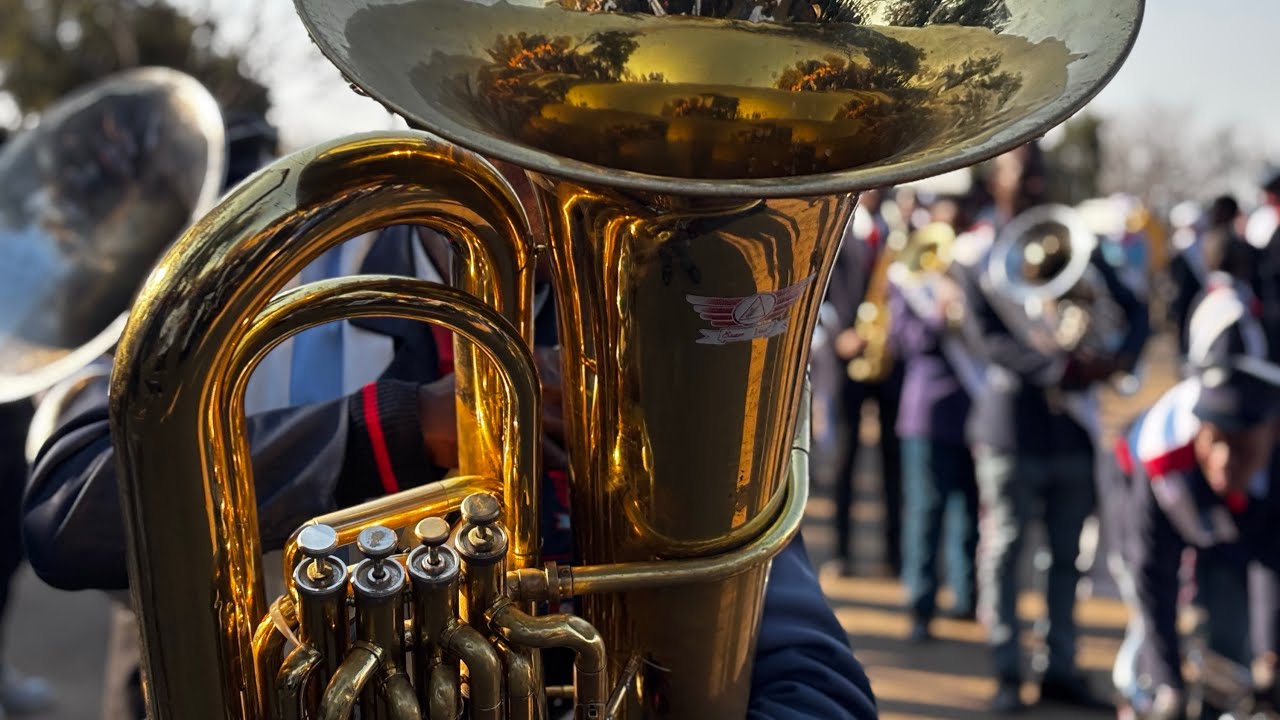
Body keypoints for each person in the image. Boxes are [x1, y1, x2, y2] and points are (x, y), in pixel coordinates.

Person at [23, 177, 879, 719]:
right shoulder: (272, 291)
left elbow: (808, 669)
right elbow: (69, 510)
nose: (543, 164)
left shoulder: (657, 357)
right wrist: (397, 427)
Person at [958, 212, 1150, 713]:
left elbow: (1136, 311)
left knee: (1068, 559)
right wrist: (1062, 368)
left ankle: (1059, 669)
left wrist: (1117, 357)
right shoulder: (976, 262)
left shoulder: (1076, 248)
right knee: (1005, 552)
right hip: (1011, 434)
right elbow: (987, 340)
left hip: (1071, 438)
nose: (1033, 189)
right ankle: (1006, 670)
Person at [1106, 281, 1280, 720]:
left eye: (1241, 445)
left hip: (1238, 520)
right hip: (1147, 501)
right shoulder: (1161, 452)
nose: (1224, 460)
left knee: (1231, 628)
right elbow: (1152, 578)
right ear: (1199, 430)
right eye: (1215, 440)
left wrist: (1270, 657)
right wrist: (1169, 685)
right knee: (1152, 638)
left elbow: (1273, 562)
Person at [887, 223, 982, 643]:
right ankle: (920, 605)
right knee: (926, 513)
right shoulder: (907, 285)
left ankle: (966, 597)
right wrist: (938, 315)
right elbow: (906, 341)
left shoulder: (970, 284)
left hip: (971, 412)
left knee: (969, 512)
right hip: (925, 416)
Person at [825, 188, 905, 578]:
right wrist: (839, 333)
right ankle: (842, 552)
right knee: (846, 458)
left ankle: (895, 554)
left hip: (890, 363)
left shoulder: (898, 236)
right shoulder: (839, 234)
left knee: (895, 461)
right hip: (848, 360)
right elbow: (819, 294)